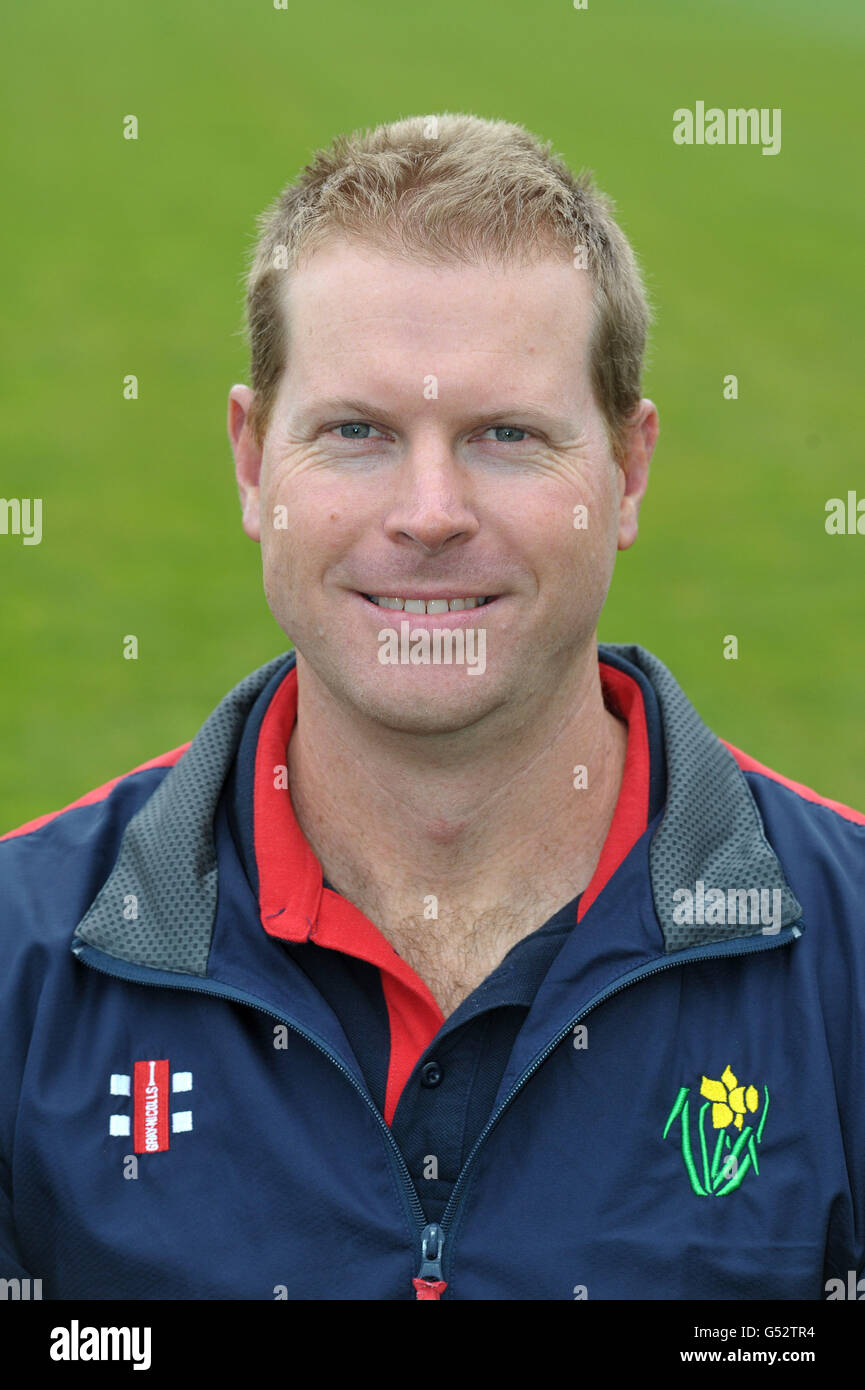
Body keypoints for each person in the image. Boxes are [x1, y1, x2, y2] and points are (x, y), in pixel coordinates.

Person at [1, 113, 863, 1302]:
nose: (429, 512)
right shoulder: (27, 960)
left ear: (629, 468)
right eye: (357, 432)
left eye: (505, 435)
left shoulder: (844, 955)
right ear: (254, 464)